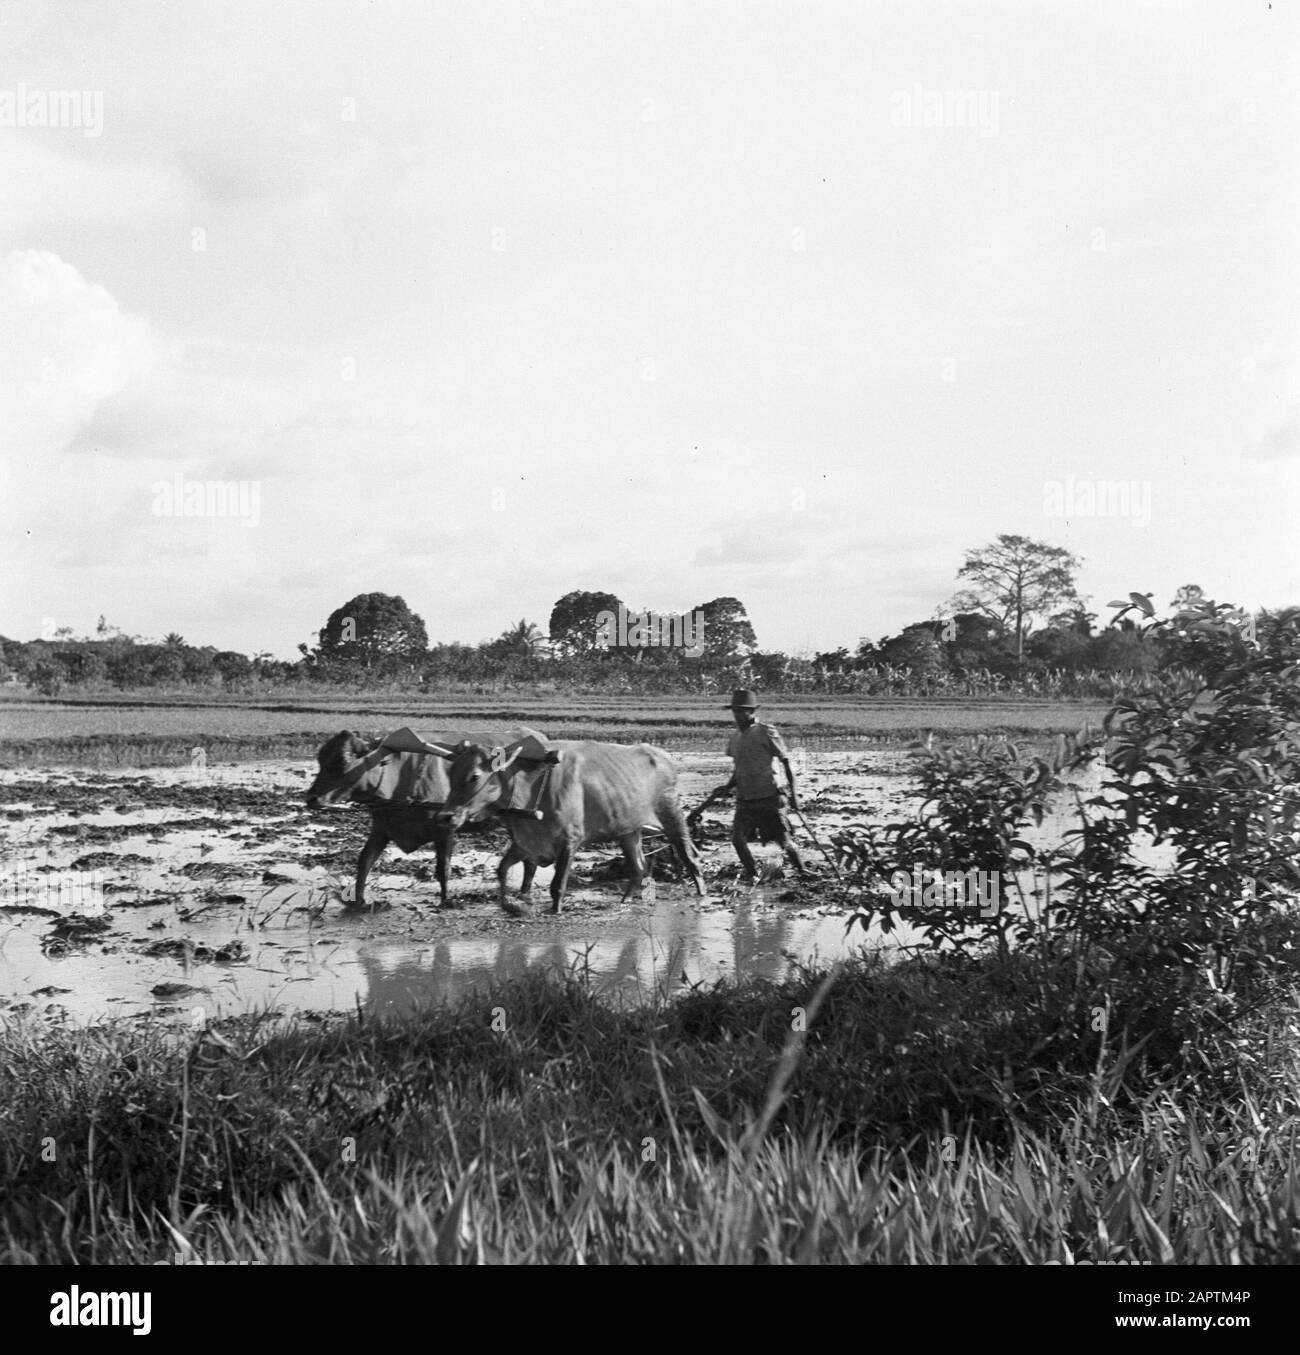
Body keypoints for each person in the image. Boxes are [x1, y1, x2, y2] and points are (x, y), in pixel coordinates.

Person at [700, 689, 807, 882]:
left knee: (784, 840)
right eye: (735, 711)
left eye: (742, 711)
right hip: (745, 797)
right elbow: (738, 768)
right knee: (737, 840)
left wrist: (794, 794)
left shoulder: (767, 731)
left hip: (769, 796)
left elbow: (785, 761)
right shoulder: (735, 738)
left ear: (751, 711)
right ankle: (752, 872)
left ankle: (802, 870)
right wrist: (728, 786)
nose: (738, 715)